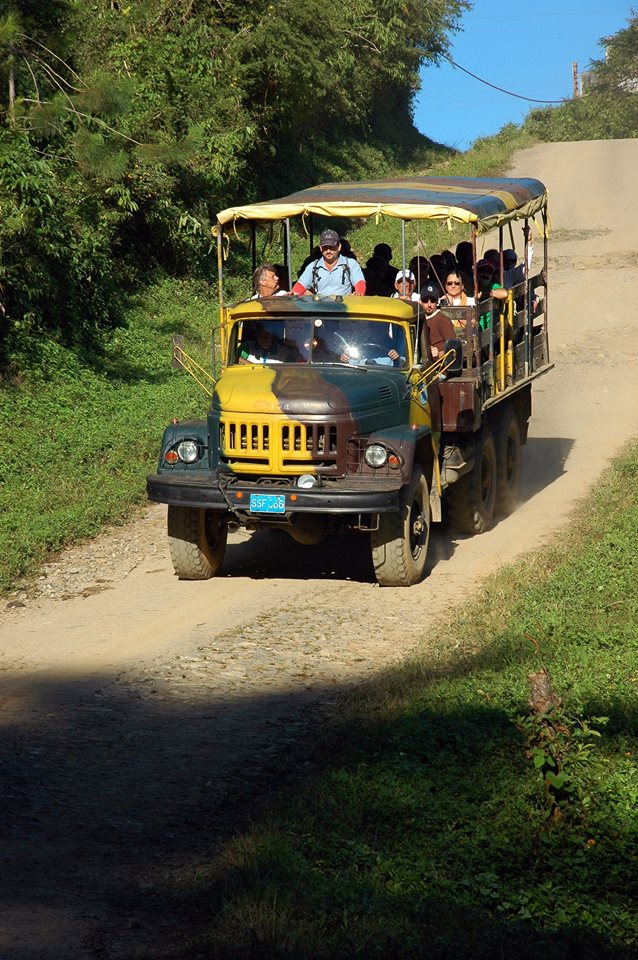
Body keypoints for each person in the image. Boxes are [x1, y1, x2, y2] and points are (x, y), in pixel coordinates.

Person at [291, 229, 366, 297]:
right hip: (320, 309)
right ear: (320, 248)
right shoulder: (313, 266)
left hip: (344, 308)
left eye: (332, 247)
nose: (328, 251)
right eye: (325, 247)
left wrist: (359, 292)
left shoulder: (350, 264)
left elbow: (359, 282)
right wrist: (293, 293)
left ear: (339, 247)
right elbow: (301, 284)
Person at [420, 283, 454, 359]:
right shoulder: (419, 319)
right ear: (420, 301)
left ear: (437, 301)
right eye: (425, 301)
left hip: (438, 366)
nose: (429, 304)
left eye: (432, 301)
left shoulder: (443, 319)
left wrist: (439, 353)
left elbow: (453, 348)